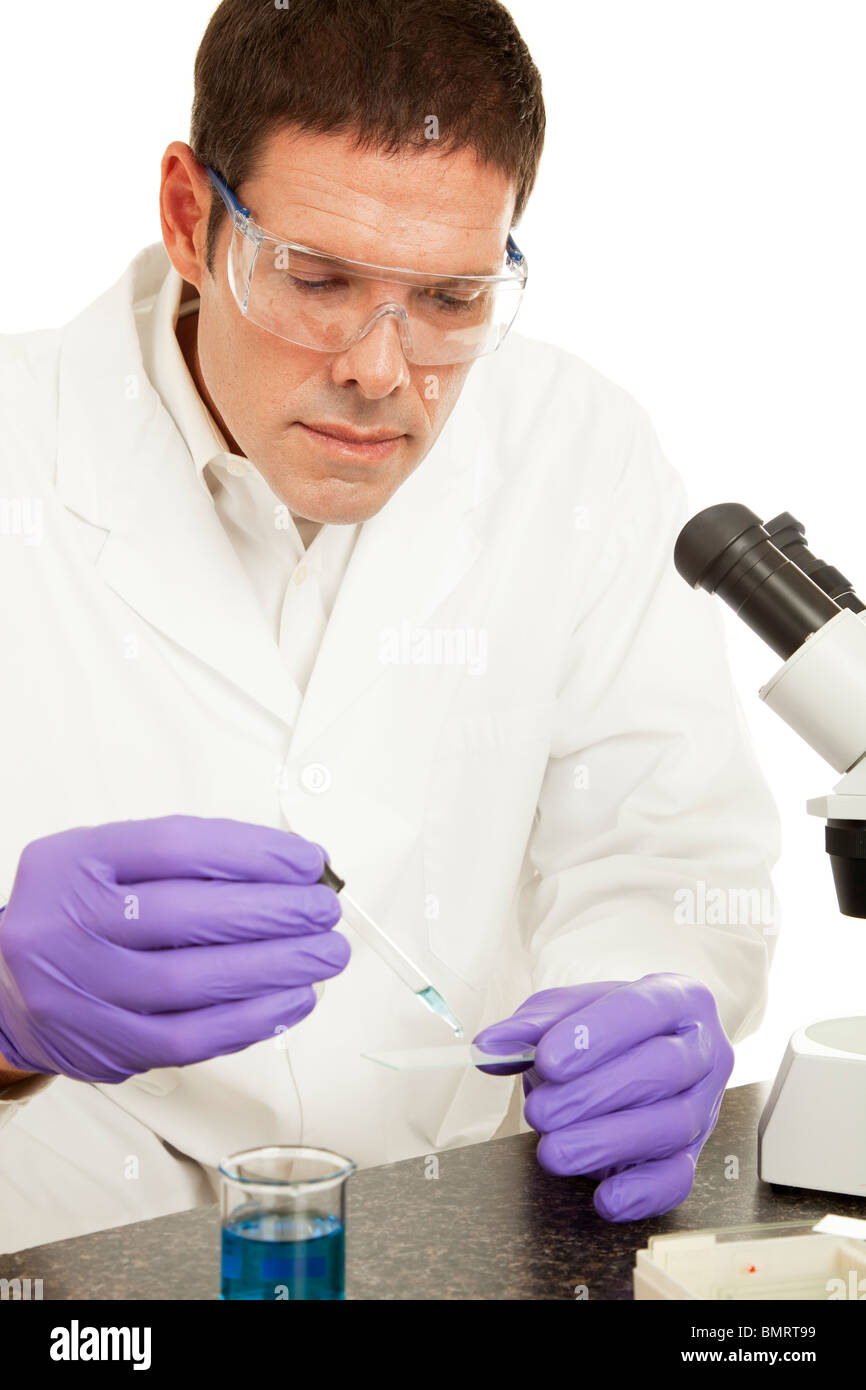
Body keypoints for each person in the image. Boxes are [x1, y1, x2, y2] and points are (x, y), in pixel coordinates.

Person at [0, 0, 780, 1254]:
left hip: (452, 1234)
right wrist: (0, 1013)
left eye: (451, 296)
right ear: (189, 218)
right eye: (318, 279)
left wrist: (652, 986)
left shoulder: (572, 450)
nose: (380, 367)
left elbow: (662, 844)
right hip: (65, 1248)